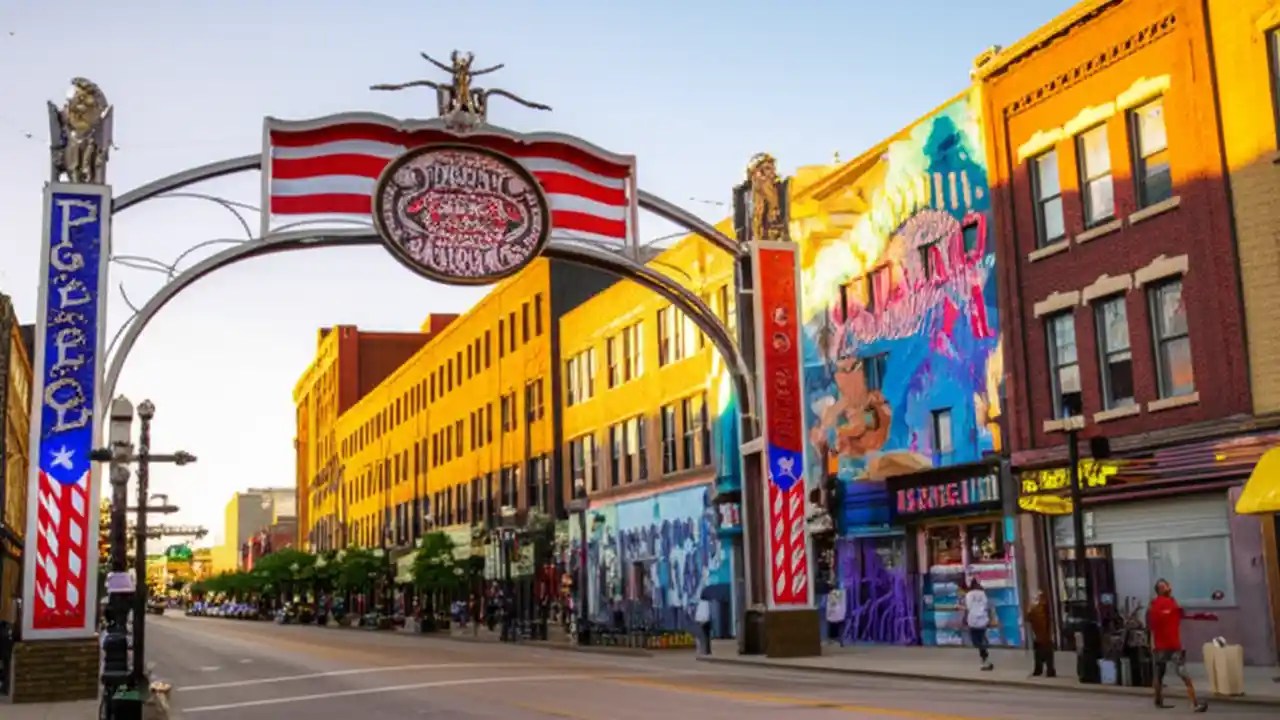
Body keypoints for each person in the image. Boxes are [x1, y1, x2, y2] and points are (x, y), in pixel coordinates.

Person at [1148, 578, 1216, 712]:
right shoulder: (1172, 603)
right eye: (1167, 586)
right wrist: (1205, 616)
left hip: (1160, 646)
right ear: (1163, 589)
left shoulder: (1153, 605)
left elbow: (1151, 627)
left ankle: (1158, 700)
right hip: (1173, 645)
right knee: (1183, 673)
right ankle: (1194, 703)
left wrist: (1151, 644)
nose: (1170, 587)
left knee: (1158, 674)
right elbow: (1184, 615)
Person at [963, 578, 995, 671]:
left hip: (973, 620)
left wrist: (965, 619)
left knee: (975, 640)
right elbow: (987, 606)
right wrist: (990, 618)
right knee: (981, 637)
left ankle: (984, 654)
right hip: (982, 619)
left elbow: (968, 607)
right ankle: (984, 652)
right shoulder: (983, 594)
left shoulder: (969, 595)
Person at [1025, 590, 1056, 677]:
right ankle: (1049, 670)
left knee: (1040, 654)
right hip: (1045, 636)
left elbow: (1029, 617)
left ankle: (1039, 670)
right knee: (1047, 654)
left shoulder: (1037, 608)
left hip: (1040, 636)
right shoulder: (1045, 608)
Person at [694, 589, 713, 656]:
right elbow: (708, 613)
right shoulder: (708, 603)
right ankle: (708, 650)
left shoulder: (700, 604)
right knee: (707, 637)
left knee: (703, 637)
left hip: (702, 621)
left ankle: (704, 651)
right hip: (707, 621)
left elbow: (699, 613)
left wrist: (698, 620)